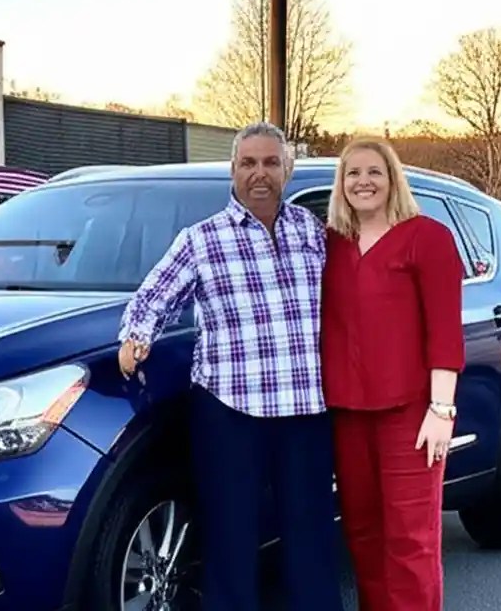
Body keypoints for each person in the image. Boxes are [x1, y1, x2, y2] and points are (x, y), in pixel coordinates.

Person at [117, 122, 343, 611]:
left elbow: (356, 295)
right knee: (230, 538)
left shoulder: (312, 233)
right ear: (233, 171)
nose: (259, 174)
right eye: (248, 163)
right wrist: (135, 339)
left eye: (270, 163)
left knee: (311, 538)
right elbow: (153, 297)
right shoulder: (201, 239)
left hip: (304, 408)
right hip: (229, 410)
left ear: (287, 169)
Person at [320, 135, 465, 611]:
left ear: (392, 179)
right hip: (347, 413)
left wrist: (441, 409)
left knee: (410, 540)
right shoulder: (330, 244)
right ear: (341, 185)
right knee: (363, 537)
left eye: (373, 172)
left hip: (411, 415)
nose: (363, 182)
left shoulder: (427, 237)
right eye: (352, 174)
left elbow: (445, 331)